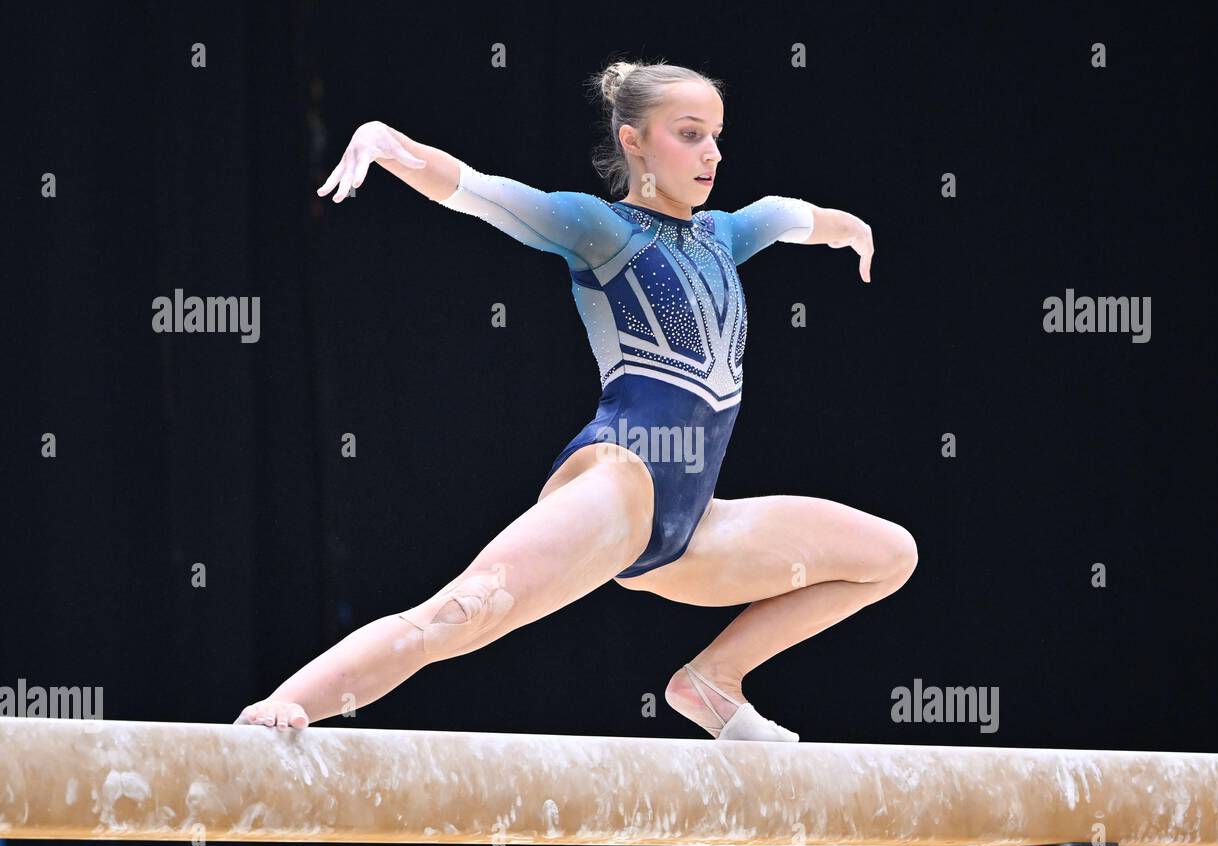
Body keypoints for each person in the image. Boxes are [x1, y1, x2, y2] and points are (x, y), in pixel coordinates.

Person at [235, 59, 914, 741]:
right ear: (634, 140)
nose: (710, 151)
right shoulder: (600, 230)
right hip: (620, 484)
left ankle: (711, 681)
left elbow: (787, 217)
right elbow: (480, 192)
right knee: (463, 614)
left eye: (715, 135)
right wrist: (391, 145)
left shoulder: (725, 235)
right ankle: (284, 705)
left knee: (889, 556)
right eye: (688, 133)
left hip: (691, 528)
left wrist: (847, 228)